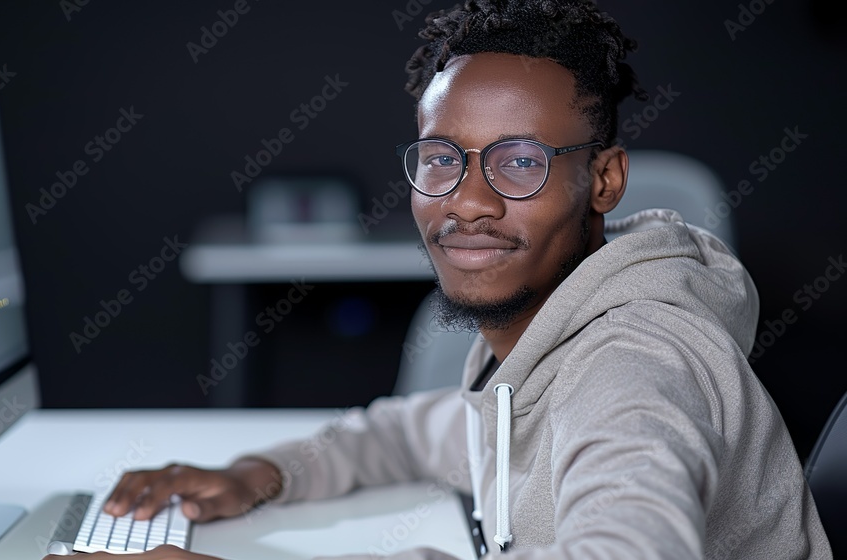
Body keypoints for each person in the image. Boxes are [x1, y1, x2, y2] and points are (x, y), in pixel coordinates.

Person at [45, 0, 832, 558]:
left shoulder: (633, 362)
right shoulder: (543, 350)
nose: (469, 201)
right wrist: (261, 474)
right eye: (442, 159)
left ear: (604, 180)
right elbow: (423, 433)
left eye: (521, 162)